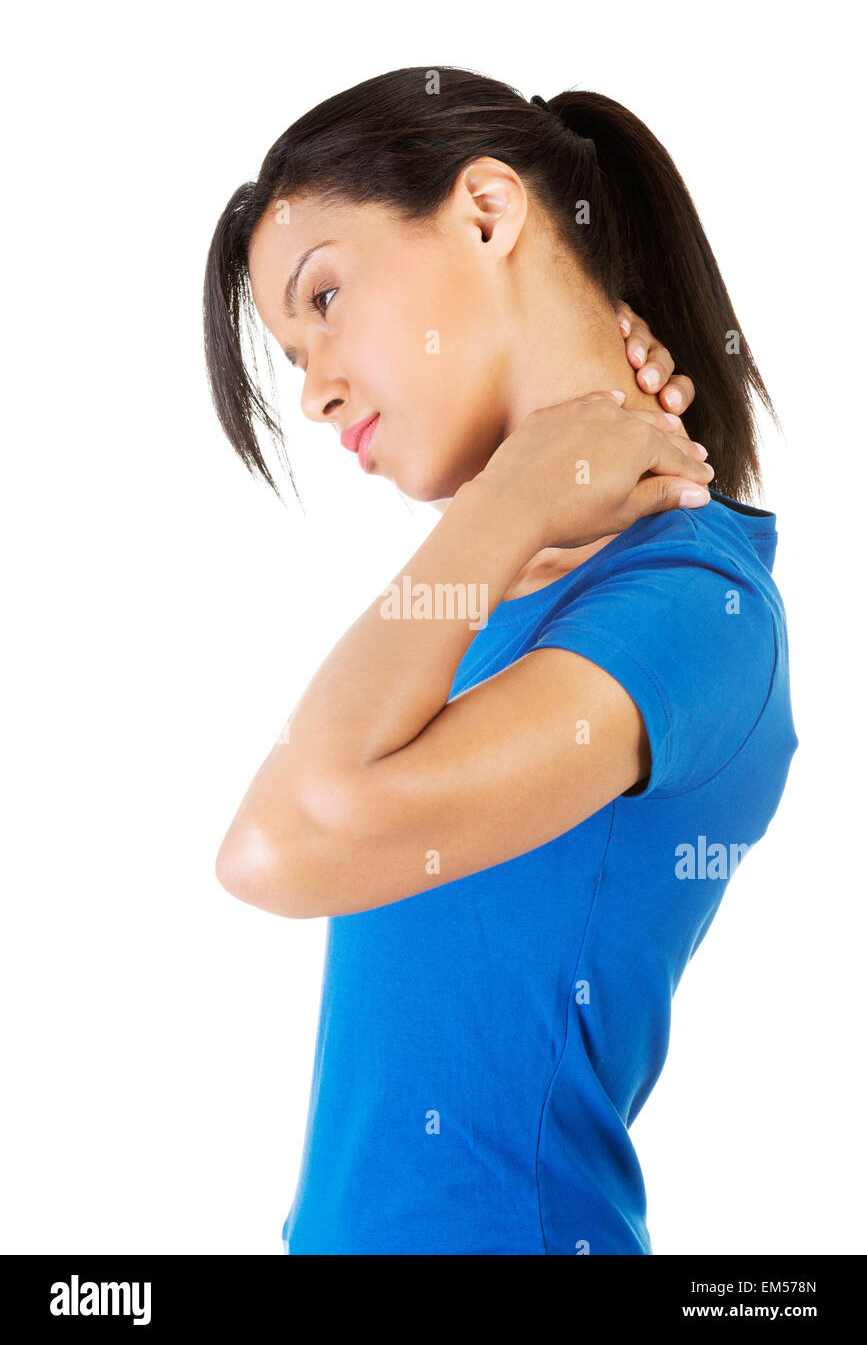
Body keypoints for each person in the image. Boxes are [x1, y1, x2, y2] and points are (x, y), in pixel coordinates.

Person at [202, 67, 799, 1255]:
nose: (314, 388)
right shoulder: (498, 594)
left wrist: (518, 488)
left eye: (324, 296)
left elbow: (276, 845)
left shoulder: (692, 610)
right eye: (289, 351)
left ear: (487, 210)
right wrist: (526, 493)